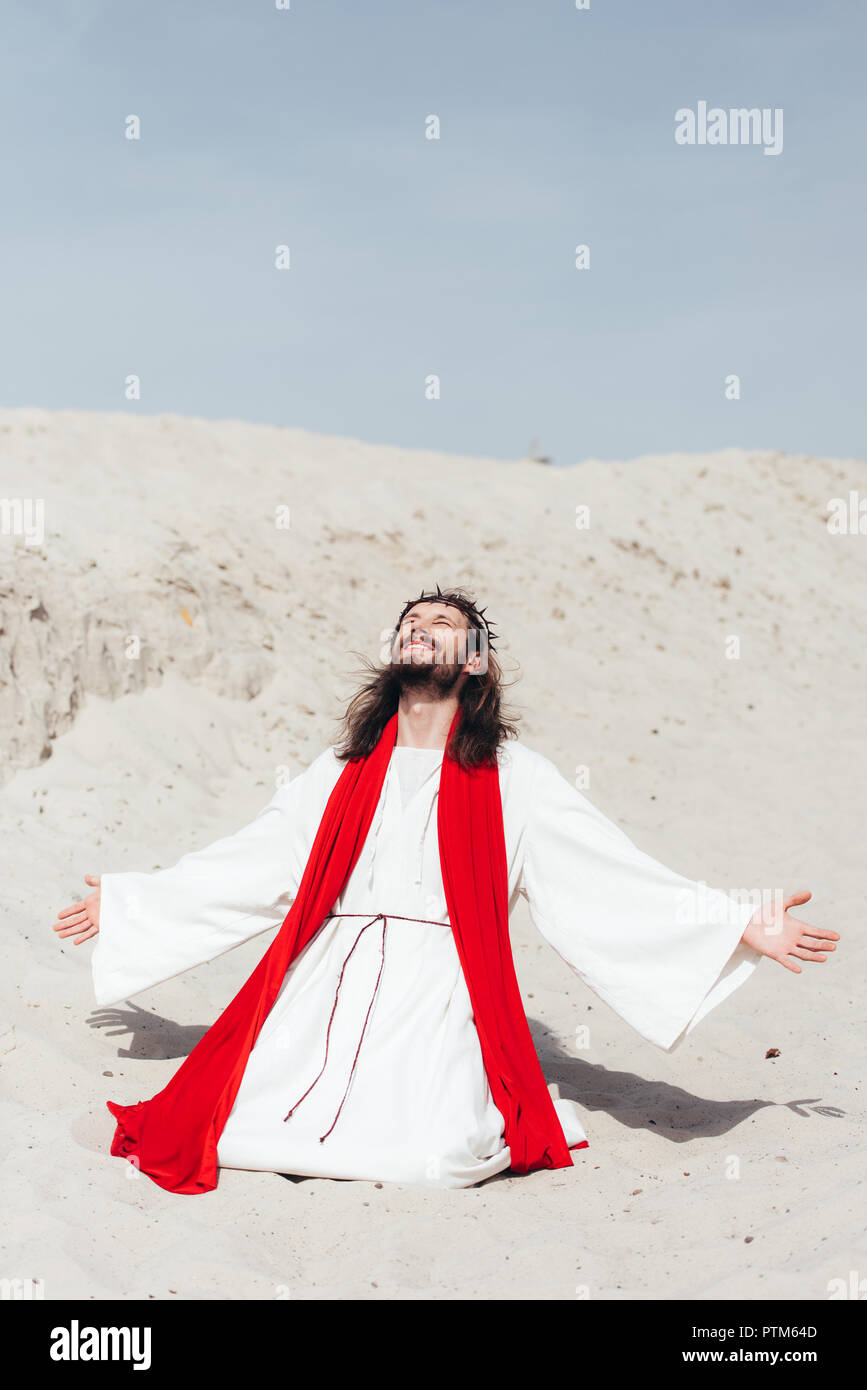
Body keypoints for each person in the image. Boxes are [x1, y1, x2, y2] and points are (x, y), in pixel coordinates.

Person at [52, 586, 839, 1193]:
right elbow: (249, 865)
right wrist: (132, 905)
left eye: (440, 619)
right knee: (238, 1129)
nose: (419, 625)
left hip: (440, 984)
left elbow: (609, 877)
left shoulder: (518, 780)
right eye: (410, 618)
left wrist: (731, 923)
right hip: (323, 973)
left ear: (472, 661)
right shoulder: (337, 772)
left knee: (433, 1155)